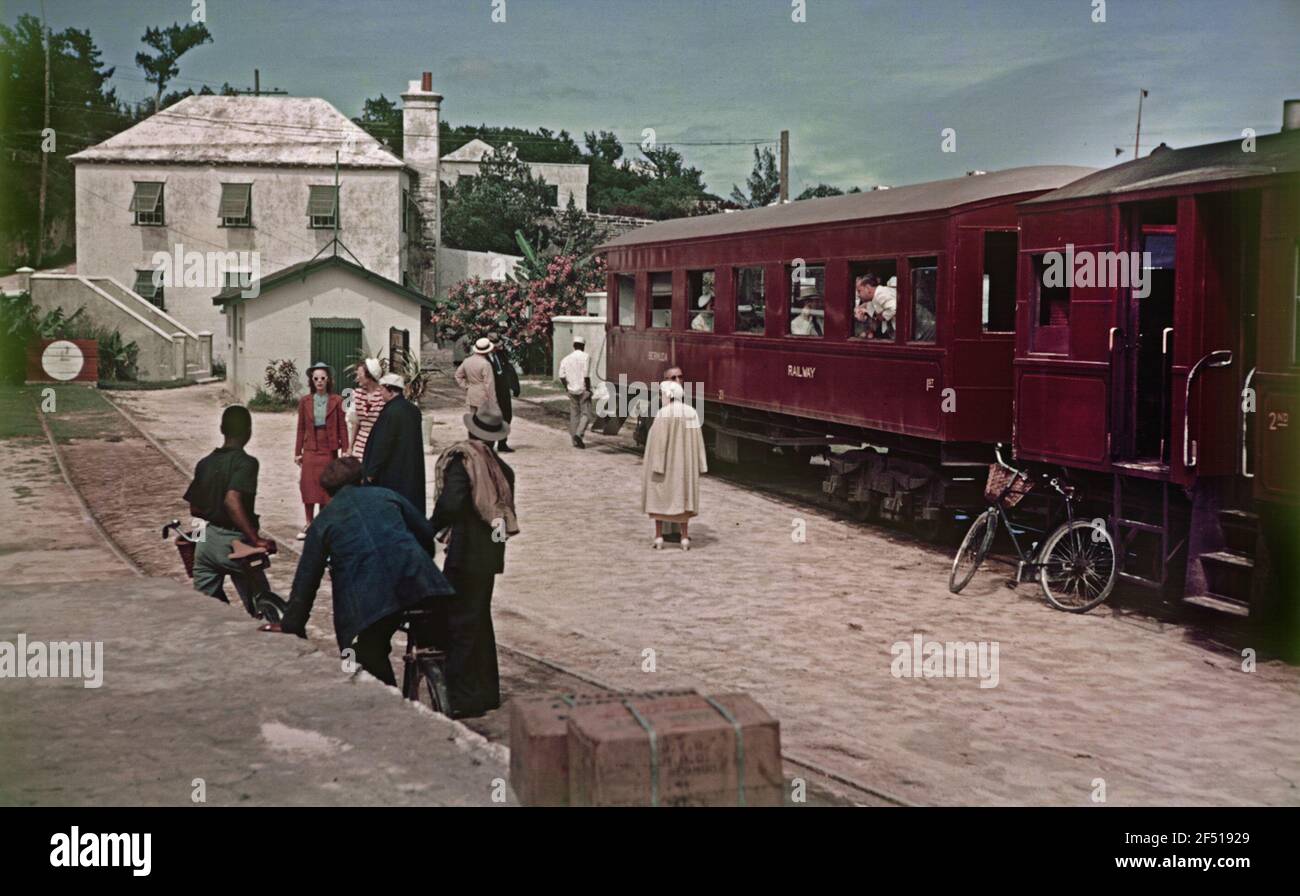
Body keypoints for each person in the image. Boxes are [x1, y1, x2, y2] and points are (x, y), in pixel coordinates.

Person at [267, 457, 455, 687]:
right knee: (436, 639)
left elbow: (307, 580)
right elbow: (425, 532)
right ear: (362, 480)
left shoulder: (322, 522)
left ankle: (390, 705)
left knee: (364, 654)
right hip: (423, 582)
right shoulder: (386, 495)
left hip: (370, 602)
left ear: (325, 492)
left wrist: (291, 624)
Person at [431, 408, 518, 718]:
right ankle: (487, 691)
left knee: (460, 623)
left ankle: (465, 697)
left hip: (465, 553)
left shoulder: (463, 461)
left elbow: (451, 504)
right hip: (490, 556)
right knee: (480, 619)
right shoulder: (502, 469)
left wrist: (430, 527)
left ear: (471, 432)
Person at [182, 405, 273, 616]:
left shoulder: (205, 463)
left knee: (206, 610)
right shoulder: (247, 463)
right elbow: (232, 501)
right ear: (249, 432)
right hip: (237, 543)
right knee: (265, 608)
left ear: (222, 429)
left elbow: (195, 508)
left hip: (207, 542)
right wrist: (256, 539)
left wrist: (212, 518)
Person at [641, 380, 707, 551]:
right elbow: (699, 441)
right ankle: (684, 538)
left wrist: (656, 465)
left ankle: (659, 537)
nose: (661, 397)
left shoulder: (663, 414)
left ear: (669, 395)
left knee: (660, 499)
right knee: (683, 500)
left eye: (662, 394)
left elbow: (658, 444)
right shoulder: (692, 412)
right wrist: (700, 464)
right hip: (685, 467)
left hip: (666, 466)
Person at [295, 362, 348, 539]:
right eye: (316, 378)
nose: (319, 382)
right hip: (311, 447)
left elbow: (343, 427)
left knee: (326, 486)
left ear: (328, 380)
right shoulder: (305, 401)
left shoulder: (338, 400)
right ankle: (309, 523)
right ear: (311, 380)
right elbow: (300, 428)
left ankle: (323, 522)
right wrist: (298, 451)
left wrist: (345, 450)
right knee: (308, 485)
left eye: (322, 378)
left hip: (328, 447)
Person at [363, 372, 426, 513]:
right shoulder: (413, 410)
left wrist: (371, 471)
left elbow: (383, 444)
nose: (381, 394)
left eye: (383, 390)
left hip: (392, 472)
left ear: (390, 391)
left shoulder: (390, 412)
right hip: (411, 469)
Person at [487, 332, 521, 453]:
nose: (497, 347)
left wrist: (514, 386)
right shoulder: (484, 358)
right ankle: (489, 444)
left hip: (503, 391)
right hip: (490, 392)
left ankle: (502, 442)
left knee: (506, 416)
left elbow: (509, 370)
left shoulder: (501, 355)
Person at [348, 358, 387, 459]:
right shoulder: (357, 394)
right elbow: (356, 423)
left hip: (379, 444)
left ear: (369, 376)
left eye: (360, 375)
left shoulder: (384, 396)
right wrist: (350, 447)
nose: (357, 378)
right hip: (361, 446)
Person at [558, 336, 592, 449]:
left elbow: (561, 376)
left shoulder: (566, 359)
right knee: (586, 414)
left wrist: (566, 388)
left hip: (571, 390)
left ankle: (574, 441)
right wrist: (588, 389)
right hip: (582, 389)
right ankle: (579, 434)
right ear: (583, 346)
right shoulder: (586, 357)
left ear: (574, 346)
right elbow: (586, 374)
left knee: (574, 416)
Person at [454, 337, 499, 417]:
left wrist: (466, 385)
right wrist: (493, 402)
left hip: (471, 391)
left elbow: (458, 375)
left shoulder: (467, 361)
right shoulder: (485, 364)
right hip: (483, 394)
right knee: (483, 419)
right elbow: (489, 384)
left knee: (473, 417)